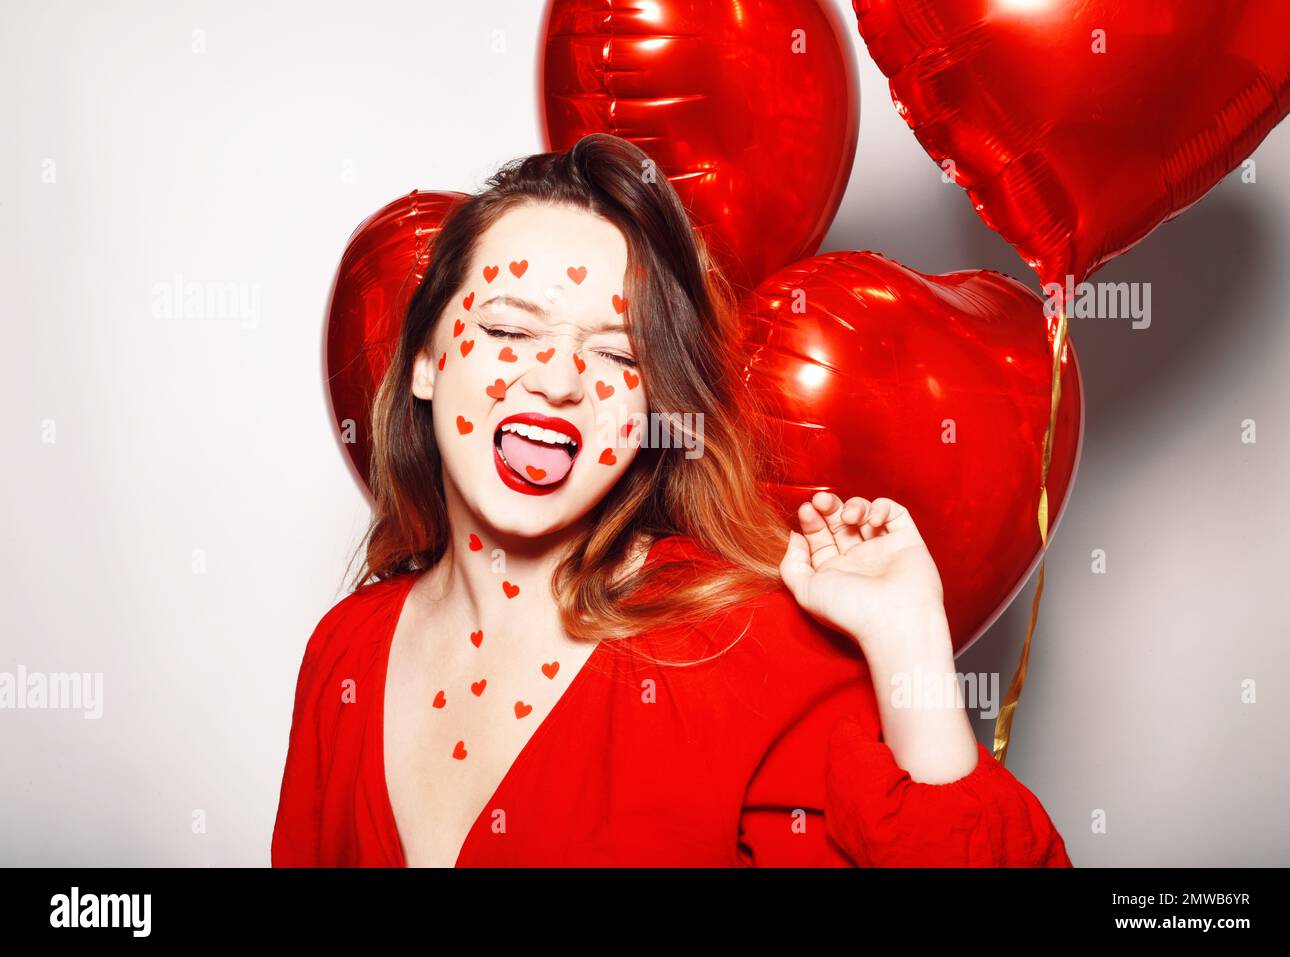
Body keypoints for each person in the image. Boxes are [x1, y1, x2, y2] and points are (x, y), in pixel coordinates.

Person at [271, 133, 1072, 867]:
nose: (556, 380)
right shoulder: (345, 653)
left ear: (654, 408)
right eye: (510, 331)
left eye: (617, 351)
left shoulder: (746, 650)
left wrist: (911, 651)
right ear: (425, 363)